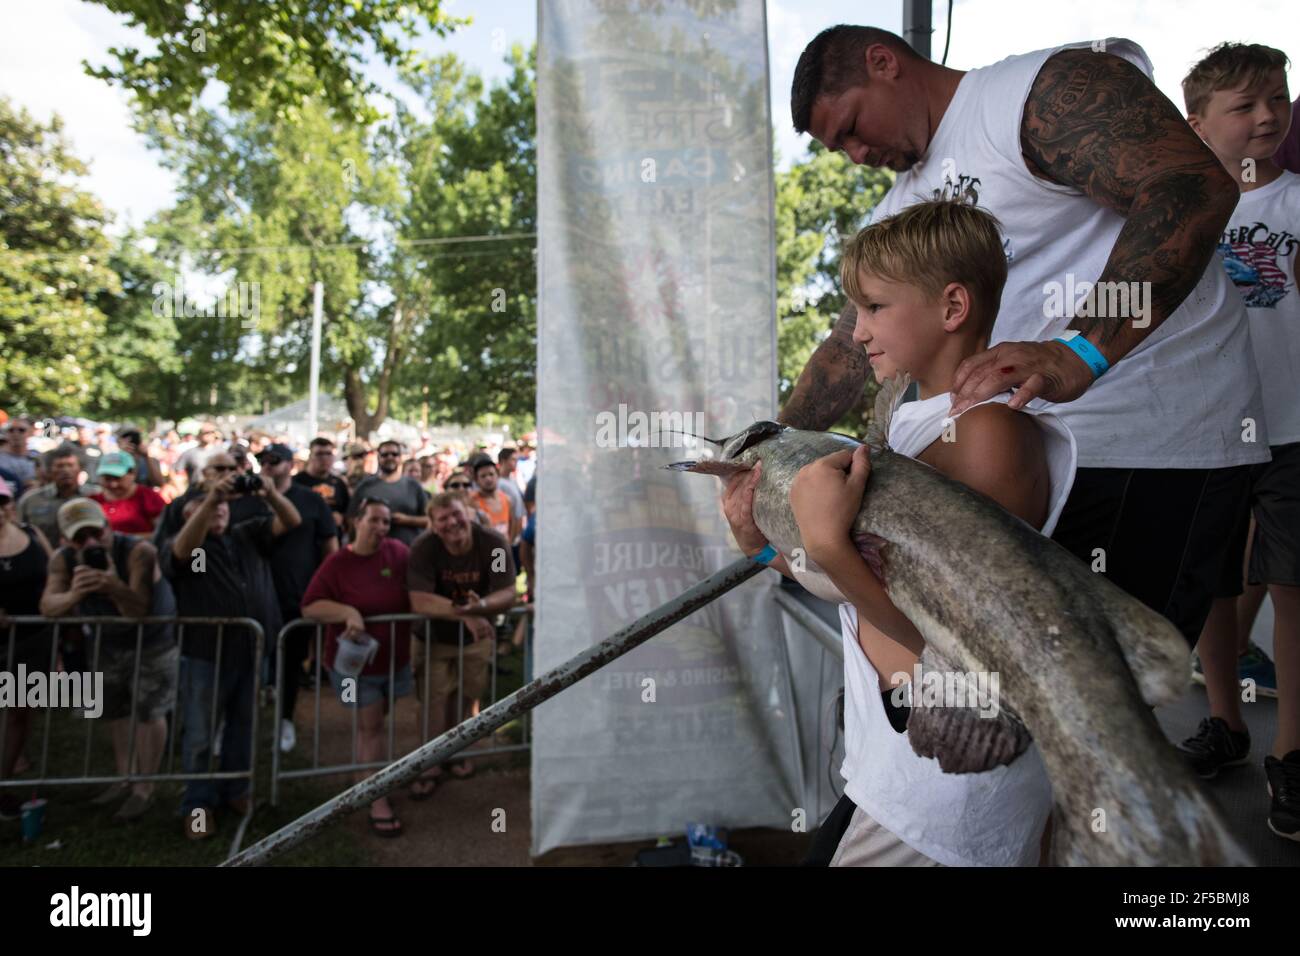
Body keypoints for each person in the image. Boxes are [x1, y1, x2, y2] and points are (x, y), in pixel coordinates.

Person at [783, 26, 1265, 654]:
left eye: (849, 126)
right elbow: (850, 344)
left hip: (1151, 447)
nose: (853, 154)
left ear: (884, 63)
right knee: (1012, 692)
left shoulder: (1029, 95)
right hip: (1022, 463)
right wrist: (769, 447)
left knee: (1105, 702)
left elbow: (1191, 186)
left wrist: (1081, 349)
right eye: (836, 147)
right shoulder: (900, 209)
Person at [727, 202, 1070, 866]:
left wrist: (827, 543)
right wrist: (761, 546)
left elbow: (957, 644)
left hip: (944, 798)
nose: (857, 333)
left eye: (876, 307)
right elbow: (871, 579)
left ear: (951, 308)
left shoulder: (988, 433)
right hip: (898, 773)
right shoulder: (915, 423)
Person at [1180, 42, 1300, 840]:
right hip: (1206, 427)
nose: (1265, 117)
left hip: (1294, 428)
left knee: (1292, 587)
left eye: (1276, 100)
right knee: (1217, 587)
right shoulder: (1180, 213)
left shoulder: (1297, 201)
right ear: (1196, 124)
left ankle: (1291, 753)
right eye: (1243, 106)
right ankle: (1226, 719)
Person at [161, 468, 300, 840]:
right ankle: (197, 805)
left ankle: (236, 790)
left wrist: (269, 492)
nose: (220, 508)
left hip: (252, 652)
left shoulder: (246, 536)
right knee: (201, 735)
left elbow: (291, 520)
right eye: (206, 502)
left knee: (243, 728)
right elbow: (183, 553)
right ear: (186, 512)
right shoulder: (191, 548)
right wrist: (210, 501)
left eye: (224, 504)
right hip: (206, 655)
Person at [39, 499, 177, 822]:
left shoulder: (138, 552)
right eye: (79, 537)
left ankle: (145, 787)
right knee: (115, 711)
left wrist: (113, 586)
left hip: (152, 642)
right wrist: (75, 594)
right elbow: (48, 606)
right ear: (65, 540)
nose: (90, 542)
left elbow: (139, 611)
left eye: (95, 532)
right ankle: (124, 777)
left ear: (108, 527)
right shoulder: (63, 560)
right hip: (107, 644)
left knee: (149, 711)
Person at [301, 498, 413, 837]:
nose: (381, 528)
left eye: (386, 522)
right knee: (371, 727)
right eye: (374, 521)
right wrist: (347, 613)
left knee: (378, 722)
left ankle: (362, 772)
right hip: (356, 668)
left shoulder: (398, 552)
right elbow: (310, 606)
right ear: (355, 522)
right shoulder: (337, 563)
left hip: (395, 660)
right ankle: (376, 799)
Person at [406, 494, 516, 795]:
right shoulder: (424, 548)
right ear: (433, 525)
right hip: (432, 638)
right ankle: (428, 763)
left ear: (468, 512)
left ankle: (454, 752)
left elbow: (507, 592)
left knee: (467, 697)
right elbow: (419, 599)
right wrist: (465, 614)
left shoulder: (492, 543)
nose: (452, 523)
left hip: (476, 638)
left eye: (456, 514)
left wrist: (478, 605)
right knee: (432, 700)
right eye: (442, 519)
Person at [257, 443, 339, 754]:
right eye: (262, 461)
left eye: (274, 460)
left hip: (296, 595)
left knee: (290, 663)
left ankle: (285, 720)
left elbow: (329, 548)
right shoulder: (249, 499)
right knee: (248, 662)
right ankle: (233, 724)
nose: (267, 465)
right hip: (253, 597)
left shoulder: (312, 501)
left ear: (291, 465)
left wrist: (328, 588)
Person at [0, 476, 52, 821]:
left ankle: (2, 786)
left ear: (11, 504)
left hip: (33, 639)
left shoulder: (33, 534)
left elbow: (55, 570)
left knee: (20, 712)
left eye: (1, 502)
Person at [154, 450, 268, 544]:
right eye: (220, 468)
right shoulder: (183, 502)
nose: (227, 473)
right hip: (198, 561)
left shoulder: (249, 499)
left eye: (232, 468)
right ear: (205, 472)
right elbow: (163, 541)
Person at [350, 440, 430, 546]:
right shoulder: (365, 486)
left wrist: (407, 520)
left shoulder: (414, 486)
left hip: (408, 551)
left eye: (394, 454)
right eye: (385, 454)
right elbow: (351, 519)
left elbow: (430, 520)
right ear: (378, 458)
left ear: (400, 458)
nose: (390, 457)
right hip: (372, 551)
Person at [17, 444, 101, 546]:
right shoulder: (31, 500)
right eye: (60, 466)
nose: (65, 470)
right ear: (49, 470)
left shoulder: (95, 496)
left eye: (70, 465)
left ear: (80, 468)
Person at [91, 451, 167, 535]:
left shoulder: (149, 497)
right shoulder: (93, 502)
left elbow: (163, 534)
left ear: (132, 474)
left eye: (118, 478)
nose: (113, 484)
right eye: (107, 479)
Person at [292, 437, 351, 531]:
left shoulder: (339, 483)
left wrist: (341, 518)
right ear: (310, 456)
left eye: (328, 453)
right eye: (319, 454)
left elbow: (347, 512)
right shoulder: (295, 482)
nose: (324, 458)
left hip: (334, 537)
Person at [468, 457, 521, 543]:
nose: (488, 479)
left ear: (497, 476)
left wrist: (508, 544)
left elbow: (512, 523)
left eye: (491, 474)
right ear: (476, 480)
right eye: (483, 476)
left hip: (501, 552)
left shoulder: (506, 499)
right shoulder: (472, 501)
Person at [0, 418, 40, 496]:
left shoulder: (38, 457)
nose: (16, 434)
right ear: (5, 433)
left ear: (30, 432)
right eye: (11, 430)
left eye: (21, 430)